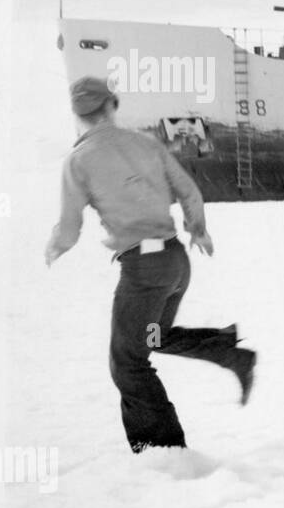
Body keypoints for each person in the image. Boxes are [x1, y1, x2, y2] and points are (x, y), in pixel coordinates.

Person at [44, 78, 257, 454]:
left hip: (143, 268)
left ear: (77, 114)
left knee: (127, 363)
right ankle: (229, 352)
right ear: (113, 105)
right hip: (175, 260)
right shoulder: (146, 143)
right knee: (151, 338)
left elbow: (70, 228)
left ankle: (164, 450)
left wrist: (54, 246)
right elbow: (190, 190)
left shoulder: (78, 160)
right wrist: (199, 230)